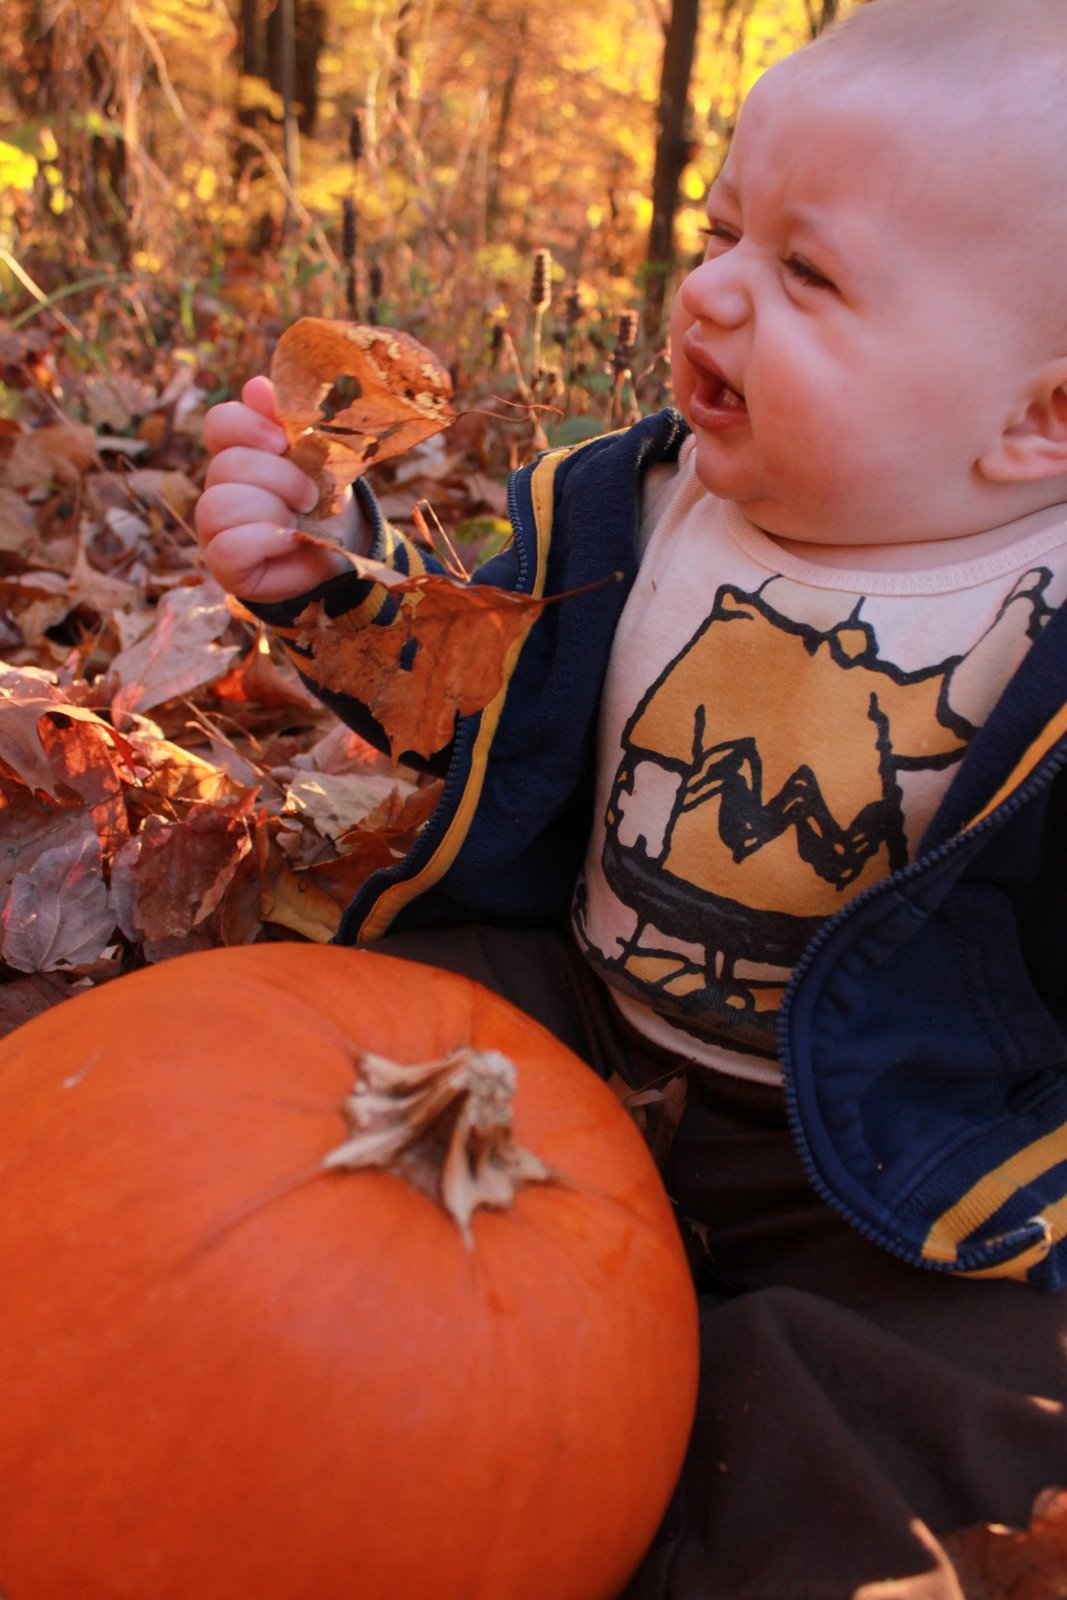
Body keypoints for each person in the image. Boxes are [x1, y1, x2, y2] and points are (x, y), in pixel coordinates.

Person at [195, 0, 1067, 1592]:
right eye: (723, 232)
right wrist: (330, 577)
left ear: (1042, 417)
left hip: (881, 1159)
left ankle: (695, 1488)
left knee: (974, 1401)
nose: (711, 288)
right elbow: (474, 696)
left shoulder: (1051, 644)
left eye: (807, 274)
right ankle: (267, 1353)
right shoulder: (629, 506)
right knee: (274, 1059)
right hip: (571, 1025)